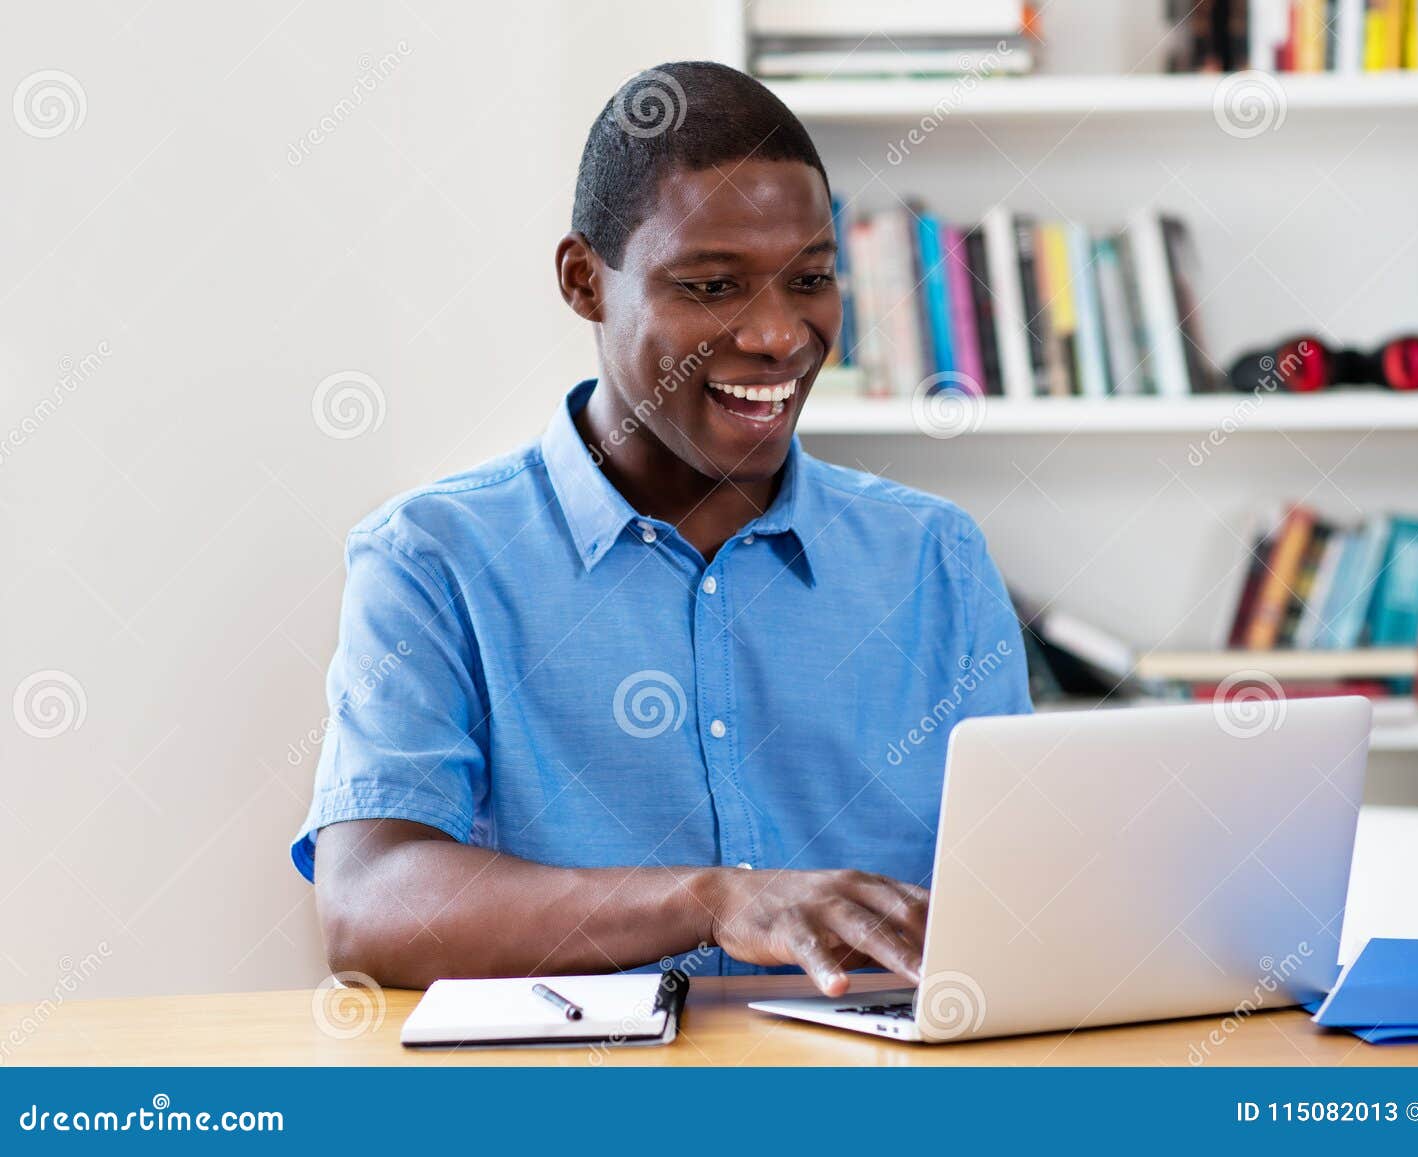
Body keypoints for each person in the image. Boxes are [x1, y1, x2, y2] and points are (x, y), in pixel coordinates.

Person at [292, 61, 1030, 997]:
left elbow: (1024, 890)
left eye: (809, 278)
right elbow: (369, 906)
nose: (777, 334)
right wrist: (716, 900)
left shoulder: (934, 558)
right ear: (584, 282)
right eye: (714, 286)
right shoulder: (435, 558)